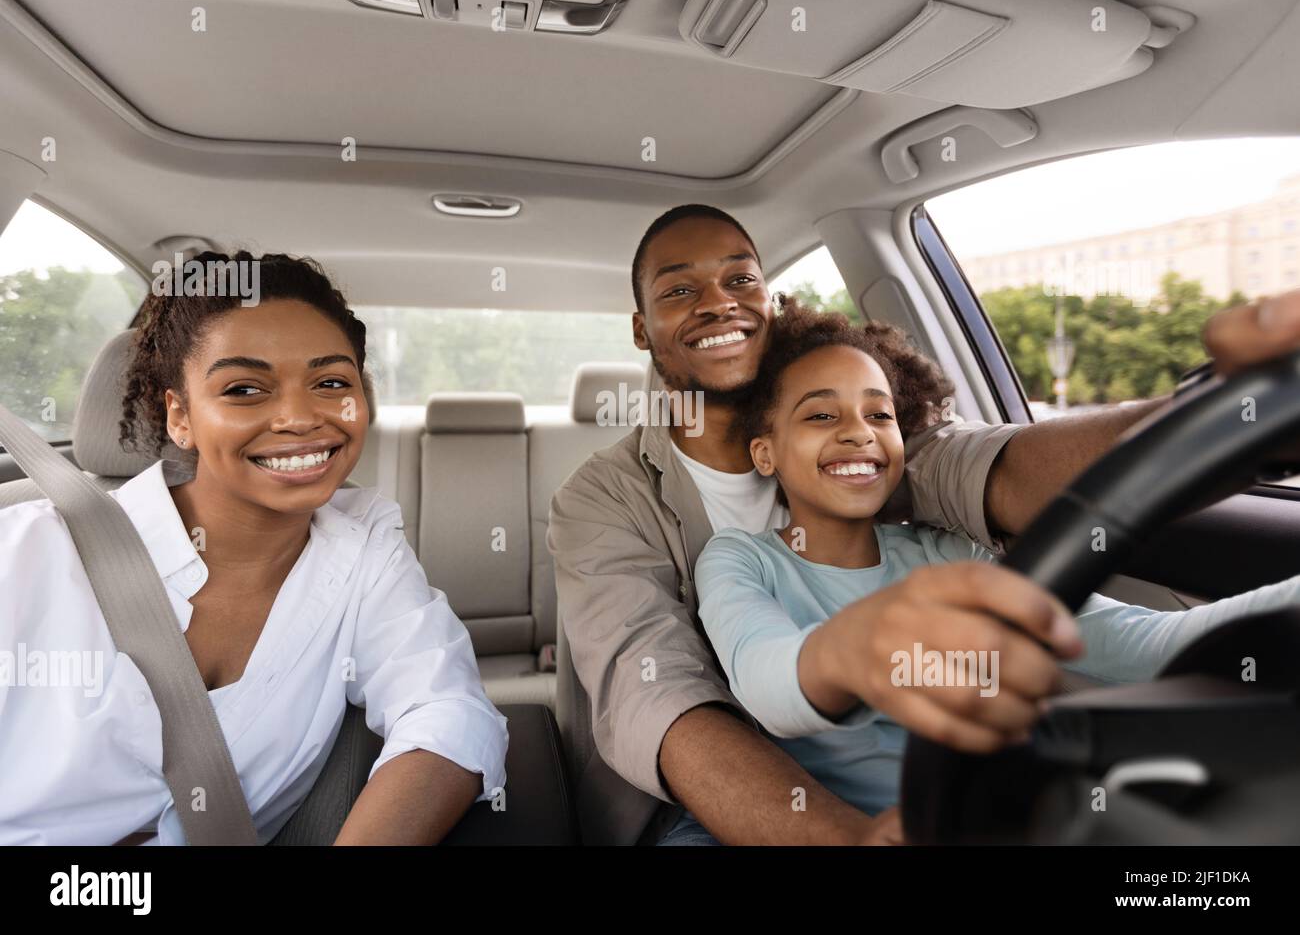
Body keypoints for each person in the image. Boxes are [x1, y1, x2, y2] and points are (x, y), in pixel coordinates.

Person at [547, 203, 1300, 846]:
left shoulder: (903, 491)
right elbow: (665, 699)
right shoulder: (620, 507)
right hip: (728, 805)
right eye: (681, 290)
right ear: (643, 330)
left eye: (741, 277)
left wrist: (1235, 414)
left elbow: (1003, 470)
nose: (719, 302)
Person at [695, 297, 1300, 833]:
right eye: (821, 415)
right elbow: (766, 682)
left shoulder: (945, 553)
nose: (860, 434)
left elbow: (1144, 644)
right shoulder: (740, 561)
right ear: (765, 453)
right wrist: (853, 649)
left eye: (879, 415)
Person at [0, 252, 507, 845]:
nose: (298, 417)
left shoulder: (363, 548)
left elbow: (447, 715)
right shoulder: (29, 549)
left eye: (331, 383)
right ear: (180, 416)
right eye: (244, 389)